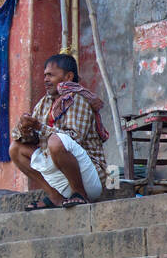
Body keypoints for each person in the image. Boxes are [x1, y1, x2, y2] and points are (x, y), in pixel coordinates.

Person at [9, 54, 109, 208]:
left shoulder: (77, 100)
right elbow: (25, 137)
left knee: (55, 141)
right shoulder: (44, 103)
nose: (45, 79)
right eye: (44, 75)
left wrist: (39, 127)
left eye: (50, 75)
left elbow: (73, 139)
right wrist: (24, 128)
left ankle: (79, 193)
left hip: (90, 178)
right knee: (15, 148)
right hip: (61, 176)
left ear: (68, 76)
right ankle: (54, 196)